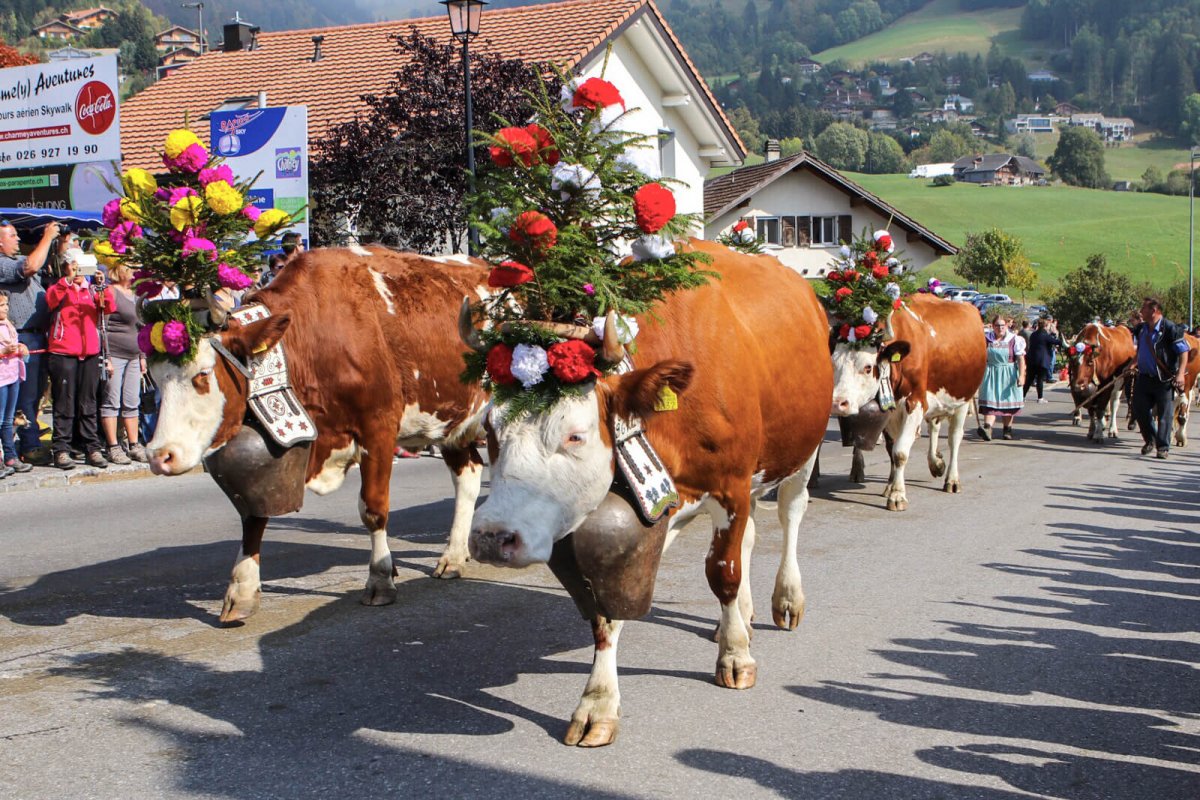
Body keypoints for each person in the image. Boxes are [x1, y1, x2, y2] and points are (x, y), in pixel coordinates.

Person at [45, 247, 115, 470]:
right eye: (75, 264)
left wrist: (102, 285)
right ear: (67, 265)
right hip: (63, 352)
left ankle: (92, 447)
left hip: (90, 352)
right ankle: (62, 450)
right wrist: (67, 280)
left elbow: (109, 308)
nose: (79, 270)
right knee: (65, 402)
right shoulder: (60, 286)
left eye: (82, 265)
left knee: (89, 402)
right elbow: (50, 300)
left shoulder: (91, 289)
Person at [0, 220, 59, 465]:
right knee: (26, 396)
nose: (17, 240)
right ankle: (29, 446)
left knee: (35, 396)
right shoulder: (3, 264)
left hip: (38, 334)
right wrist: (47, 236)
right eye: (12, 236)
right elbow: (31, 266)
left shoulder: (15, 259)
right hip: (22, 336)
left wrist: (59, 244)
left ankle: (29, 441)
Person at [99, 264, 148, 464]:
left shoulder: (136, 294)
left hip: (134, 354)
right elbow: (102, 325)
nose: (136, 271)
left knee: (132, 400)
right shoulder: (111, 291)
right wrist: (106, 356)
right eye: (132, 267)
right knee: (112, 400)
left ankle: (134, 444)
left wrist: (142, 355)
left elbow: (141, 327)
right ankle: (112, 446)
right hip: (116, 353)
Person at [1131, 297, 1190, 459]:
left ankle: (1163, 447)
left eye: (1144, 308)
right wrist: (1132, 364)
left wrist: (1180, 373)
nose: (1141, 311)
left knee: (1165, 414)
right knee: (1139, 408)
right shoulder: (1141, 329)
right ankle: (1150, 439)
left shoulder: (1170, 329)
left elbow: (1183, 352)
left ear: (1154, 311)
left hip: (1163, 379)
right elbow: (1140, 351)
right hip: (1144, 377)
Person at [977, 314, 1026, 440]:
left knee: (1007, 403)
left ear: (1007, 326)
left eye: (1002, 325)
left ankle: (1007, 429)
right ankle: (987, 428)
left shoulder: (1014, 339)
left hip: (1008, 373)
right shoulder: (986, 339)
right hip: (991, 372)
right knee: (989, 401)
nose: (1000, 328)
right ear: (993, 326)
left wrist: (1021, 376)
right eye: (997, 325)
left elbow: (1020, 359)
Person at [0, 291, 32, 477]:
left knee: (8, 420)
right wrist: (4, 350)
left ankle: (11, 456)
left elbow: (16, 345)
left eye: (6, 305)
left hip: (12, 375)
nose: (6, 309)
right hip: (1, 378)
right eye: (2, 306)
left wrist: (21, 348)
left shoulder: (8, 326)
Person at [1024, 317, 1063, 403]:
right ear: (1046, 326)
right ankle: (1040, 398)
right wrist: (1054, 334)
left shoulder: (1033, 334)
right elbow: (1057, 342)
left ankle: (1022, 396)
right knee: (1040, 380)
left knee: (1029, 379)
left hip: (1031, 359)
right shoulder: (1045, 336)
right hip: (1042, 361)